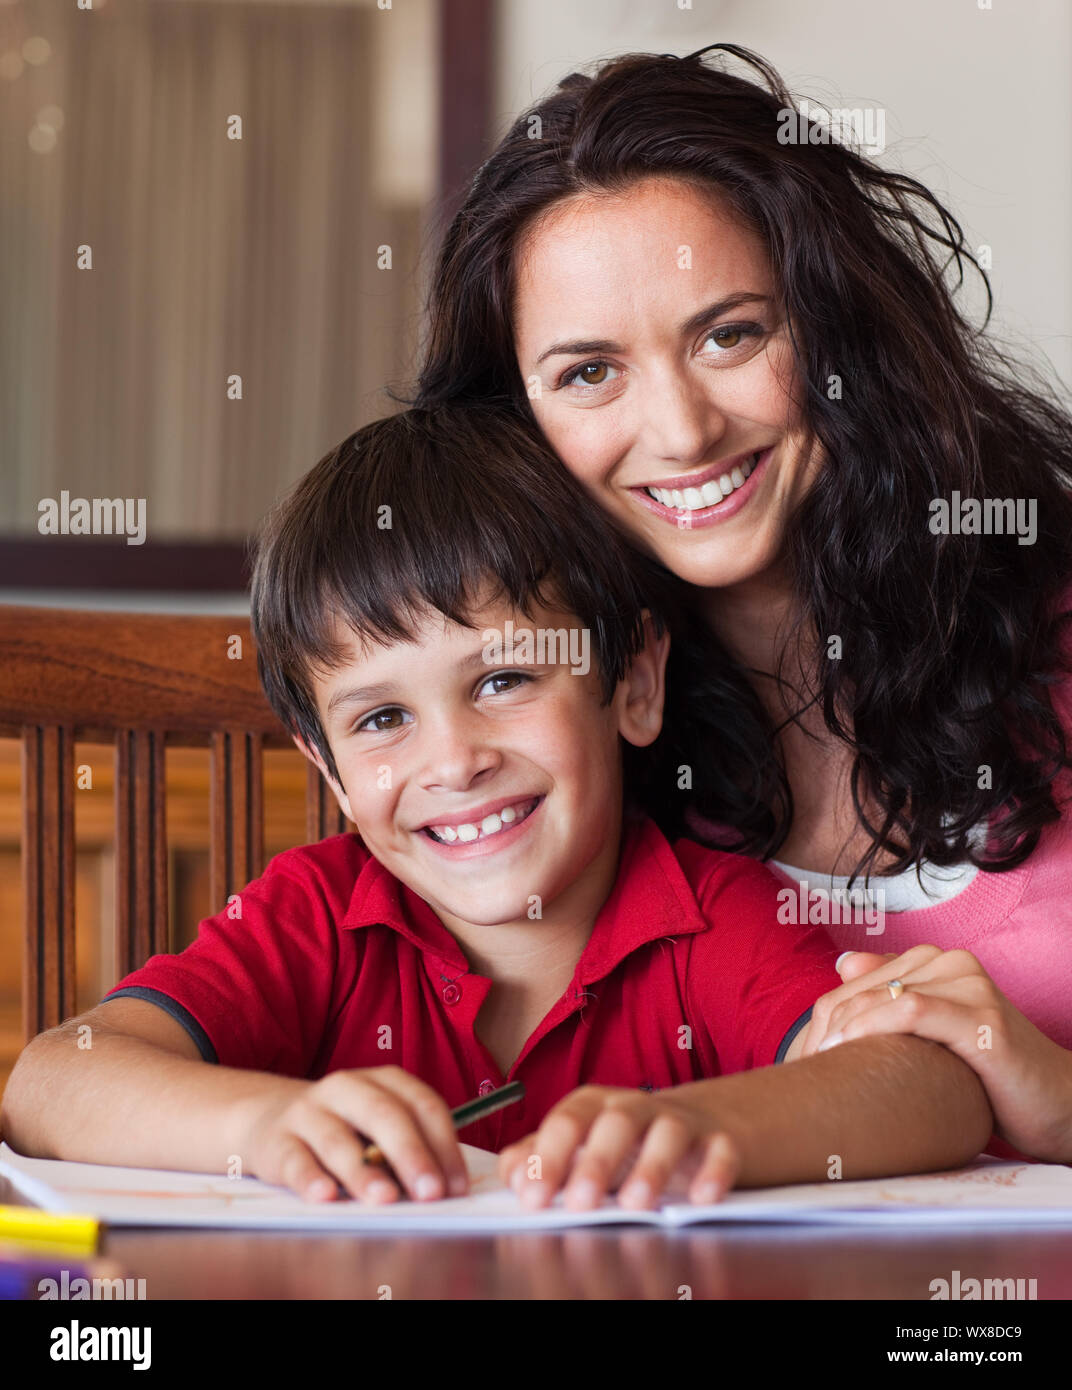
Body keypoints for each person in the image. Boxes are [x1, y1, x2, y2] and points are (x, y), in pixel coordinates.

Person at [0, 406, 991, 1210]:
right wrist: (255, 1127)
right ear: (332, 770)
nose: (456, 760)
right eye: (383, 716)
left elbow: (929, 1087)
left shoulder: (709, 913)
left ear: (634, 682)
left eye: (505, 678)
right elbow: (52, 1079)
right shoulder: (318, 913)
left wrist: (708, 1128)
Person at [413, 45, 1072, 1163]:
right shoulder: (531, 735)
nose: (679, 431)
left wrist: (1053, 1099)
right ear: (508, 427)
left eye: (731, 335)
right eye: (587, 372)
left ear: (835, 333)